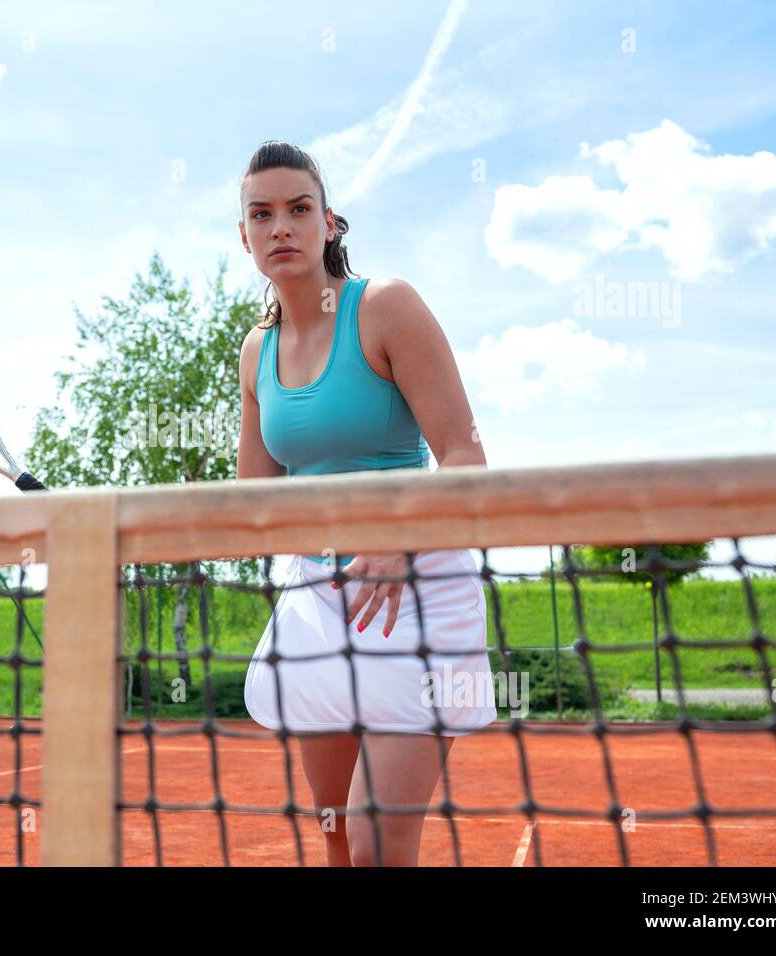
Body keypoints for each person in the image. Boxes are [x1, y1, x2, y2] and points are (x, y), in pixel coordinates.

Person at [235, 140, 496, 866]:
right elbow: (250, 505)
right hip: (318, 599)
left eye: (298, 209)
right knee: (336, 836)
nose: (280, 226)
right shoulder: (257, 351)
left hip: (417, 595)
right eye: (262, 213)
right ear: (245, 235)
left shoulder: (386, 306)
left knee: (379, 839)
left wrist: (398, 538)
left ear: (330, 224)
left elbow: (467, 457)